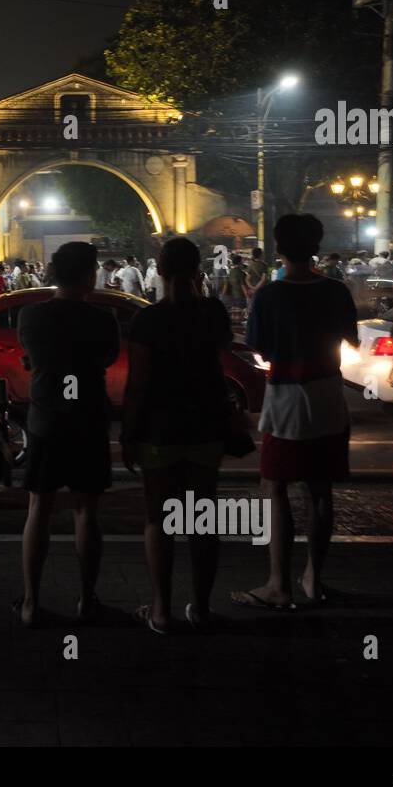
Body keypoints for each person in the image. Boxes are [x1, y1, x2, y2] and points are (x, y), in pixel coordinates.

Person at [233, 214, 357, 611]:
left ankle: (278, 584)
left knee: (276, 486)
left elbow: (261, 350)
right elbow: (349, 339)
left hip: (286, 394)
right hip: (327, 393)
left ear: (279, 248)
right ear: (317, 246)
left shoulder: (269, 295)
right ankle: (314, 579)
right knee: (320, 491)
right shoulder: (336, 291)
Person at [122, 237, 232, 633]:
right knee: (203, 518)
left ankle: (161, 610)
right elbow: (221, 358)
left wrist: (129, 432)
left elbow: (137, 383)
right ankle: (201, 607)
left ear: (160, 270)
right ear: (198, 269)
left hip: (159, 428)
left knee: (158, 519)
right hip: (204, 425)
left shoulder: (147, 320)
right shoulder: (212, 313)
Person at [15, 241, 119, 628]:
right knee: (86, 512)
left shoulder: (31, 316)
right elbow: (106, 359)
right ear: (89, 275)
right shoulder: (102, 319)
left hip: (46, 420)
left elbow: (31, 356)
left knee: (38, 511)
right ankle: (87, 599)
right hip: (88, 419)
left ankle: (30, 602)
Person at [220, 254, 247, 323]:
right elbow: (243, 286)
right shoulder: (241, 273)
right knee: (240, 317)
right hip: (240, 298)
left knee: (234, 317)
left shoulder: (230, 273)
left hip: (231, 298)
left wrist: (223, 298)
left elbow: (226, 286)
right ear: (240, 262)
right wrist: (248, 296)